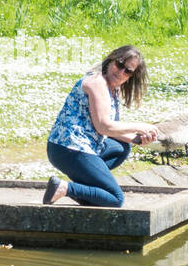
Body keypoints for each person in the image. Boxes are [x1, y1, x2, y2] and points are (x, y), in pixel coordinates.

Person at [44, 46, 160, 209]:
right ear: (111, 60)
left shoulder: (112, 88)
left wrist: (138, 139)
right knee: (116, 198)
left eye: (127, 71)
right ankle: (65, 188)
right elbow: (104, 126)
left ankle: (89, 188)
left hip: (79, 147)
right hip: (68, 148)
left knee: (121, 147)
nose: (120, 73)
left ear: (131, 77)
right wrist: (140, 126)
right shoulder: (97, 82)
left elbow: (110, 130)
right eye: (119, 65)